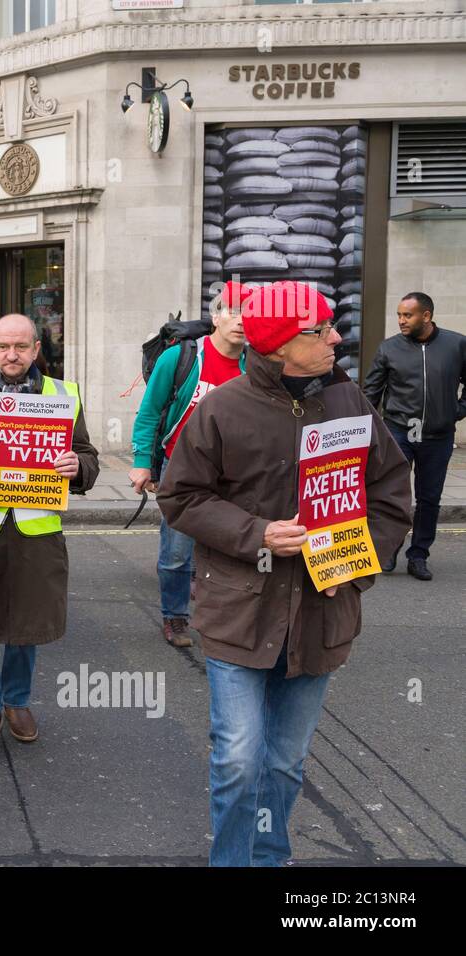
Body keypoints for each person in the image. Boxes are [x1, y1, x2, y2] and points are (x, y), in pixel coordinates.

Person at [158, 280, 411, 867]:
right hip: (238, 613)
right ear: (277, 345)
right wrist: (258, 534)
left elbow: (392, 495)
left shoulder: (352, 404)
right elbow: (183, 499)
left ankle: (268, 857)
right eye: (319, 330)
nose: (335, 338)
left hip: (323, 609)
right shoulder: (221, 408)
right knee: (239, 758)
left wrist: (355, 562)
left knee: (282, 762)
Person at [0, 314, 99, 758]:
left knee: (25, 625)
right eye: (3, 347)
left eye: (21, 347)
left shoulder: (63, 395)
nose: (11, 355)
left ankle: (16, 702)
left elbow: (87, 455)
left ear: (36, 349)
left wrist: (78, 468)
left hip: (37, 531)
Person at [128, 288, 246, 649]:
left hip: (234, 473)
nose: (241, 319)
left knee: (230, 548)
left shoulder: (255, 366)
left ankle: (221, 618)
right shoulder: (181, 358)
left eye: (248, 313)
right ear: (215, 316)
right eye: (232, 311)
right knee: (177, 551)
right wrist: (141, 463)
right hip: (181, 468)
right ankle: (175, 617)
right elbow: (150, 412)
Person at [362, 291, 466, 581]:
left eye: (407, 315)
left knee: (429, 498)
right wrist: (369, 431)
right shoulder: (389, 348)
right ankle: (390, 548)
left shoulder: (456, 344)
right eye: (399, 315)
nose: (401, 321)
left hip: (438, 436)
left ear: (426, 316)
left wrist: (456, 411)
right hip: (398, 432)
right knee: (393, 495)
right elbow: (370, 393)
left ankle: (418, 555)